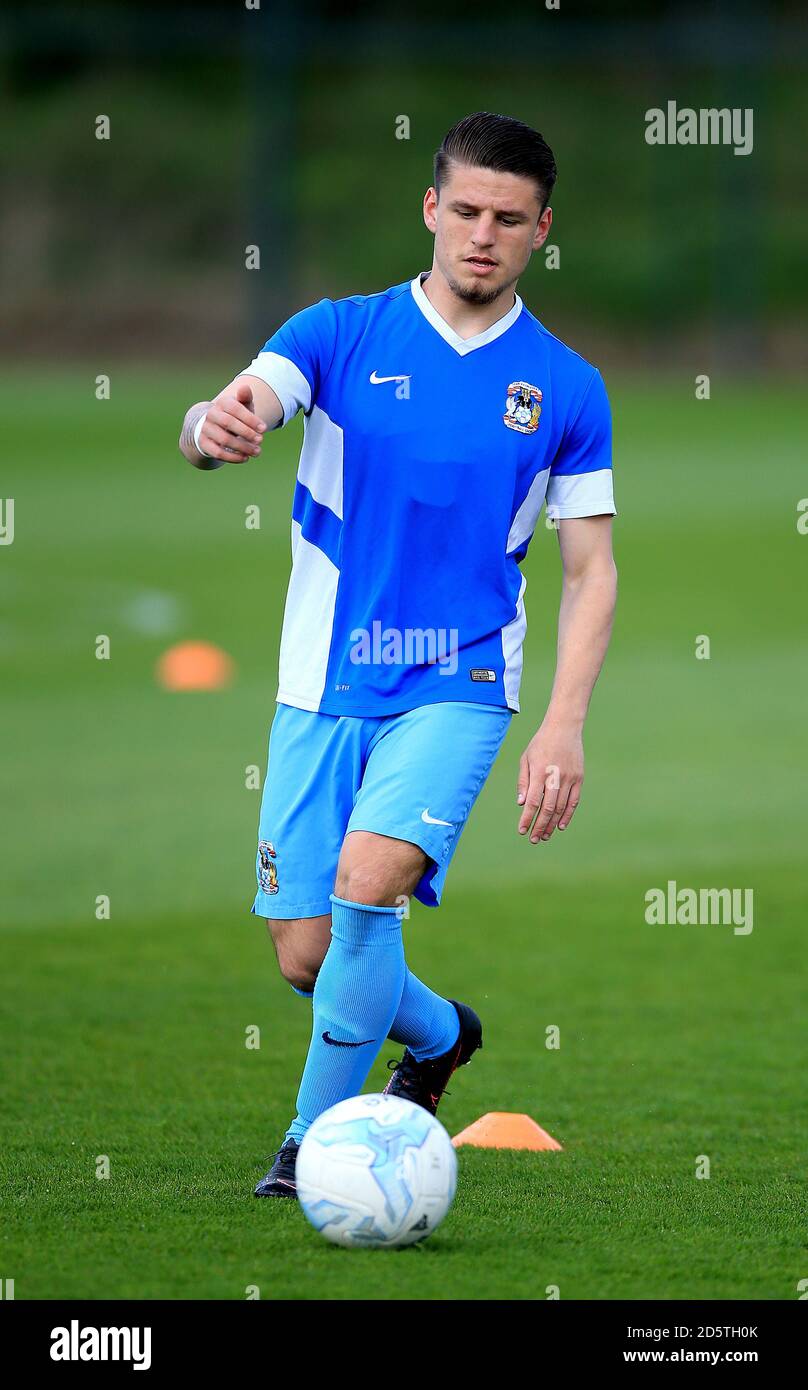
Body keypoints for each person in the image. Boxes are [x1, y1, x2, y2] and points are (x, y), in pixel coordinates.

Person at [178, 111, 617, 1199]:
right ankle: (438, 1034)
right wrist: (209, 425)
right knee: (306, 952)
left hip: (460, 680)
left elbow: (589, 569)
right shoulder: (339, 331)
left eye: (508, 219)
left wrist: (560, 721)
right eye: (464, 210)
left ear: (541, 230)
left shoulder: (565, 386)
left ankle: (309, 1147)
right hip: (321, 679)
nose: (482, 234)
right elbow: (237, 404)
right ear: (430, 208)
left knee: (368, 890)